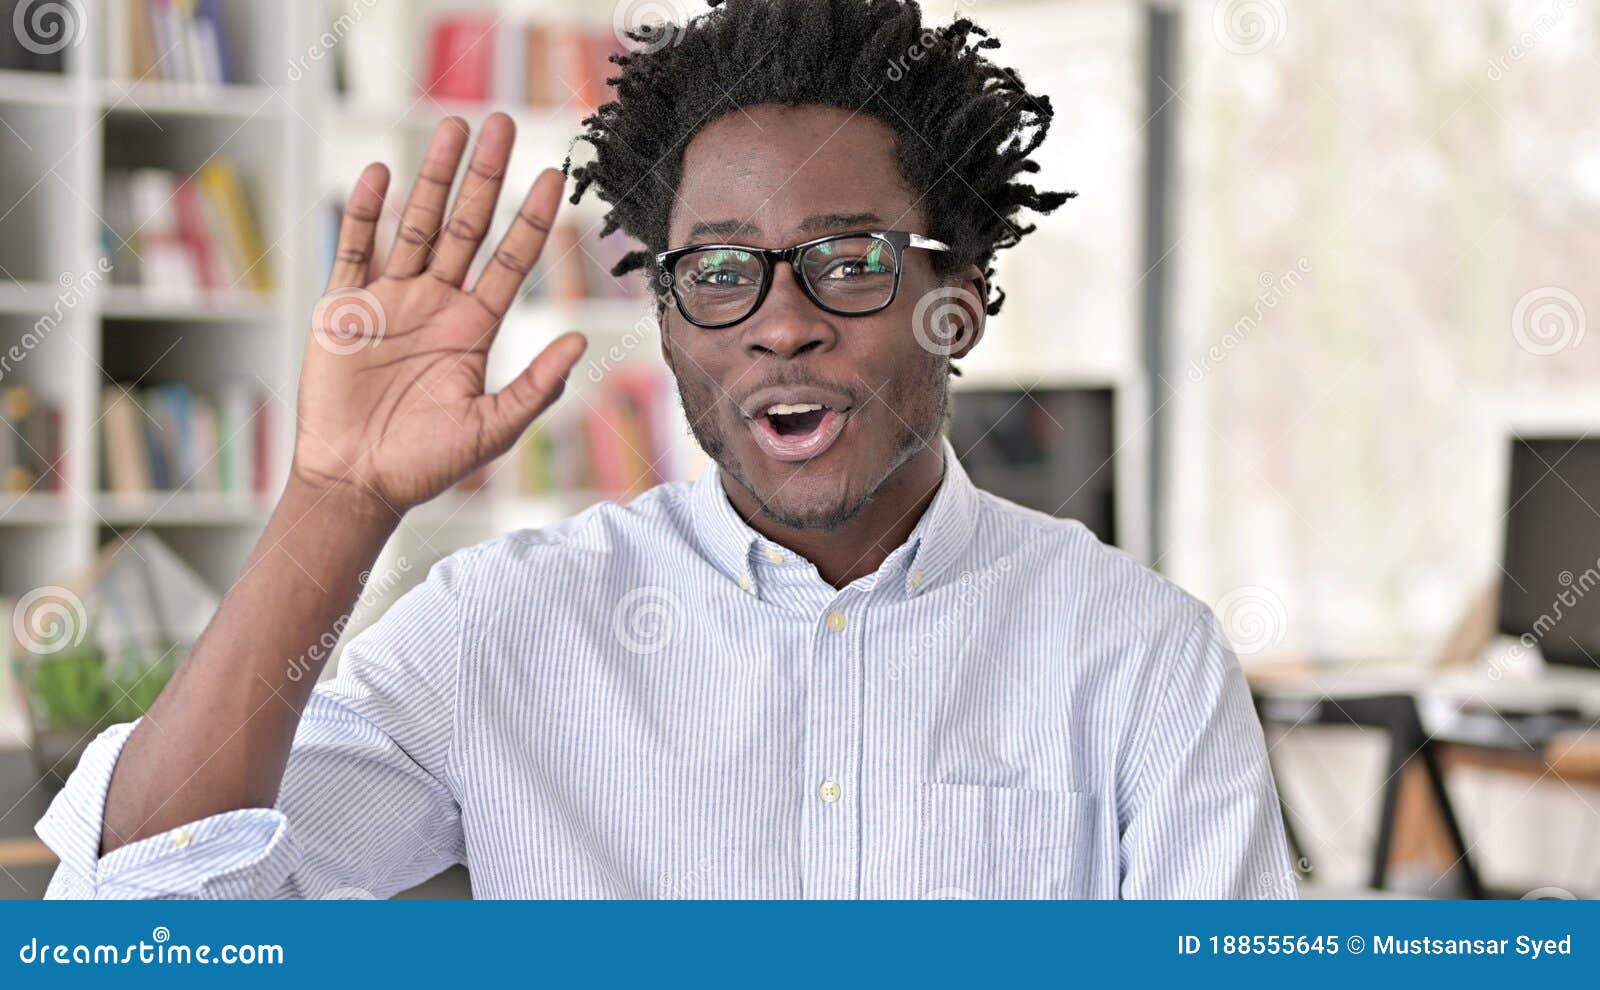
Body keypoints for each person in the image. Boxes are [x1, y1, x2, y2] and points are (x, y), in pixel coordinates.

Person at [39, 0, 1294, 899]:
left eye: (848, 263)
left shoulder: (1137, 655)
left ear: (958, 290)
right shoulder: (502, 628)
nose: (781, 323)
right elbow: (142, 914)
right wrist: (333, 499)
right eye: (719, 272)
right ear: (669, 315)